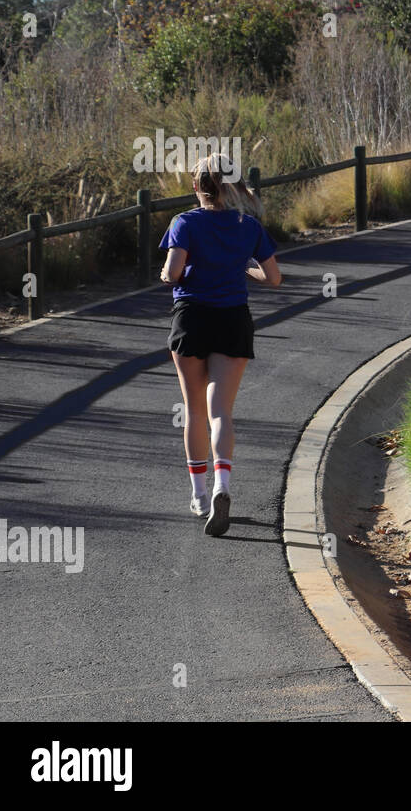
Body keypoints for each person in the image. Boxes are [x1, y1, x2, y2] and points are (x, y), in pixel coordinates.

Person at [159, 154, 281, 536]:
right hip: (233, 320)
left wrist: (166, 273)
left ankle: (198, 496)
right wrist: (243, 268)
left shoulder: (184, 223)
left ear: (196, 186)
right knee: (220, 411)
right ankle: (222, 485)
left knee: (193, 409)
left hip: (192, 318)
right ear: (232, 187)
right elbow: (274, 277)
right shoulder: (248, 226)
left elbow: (174, 271)